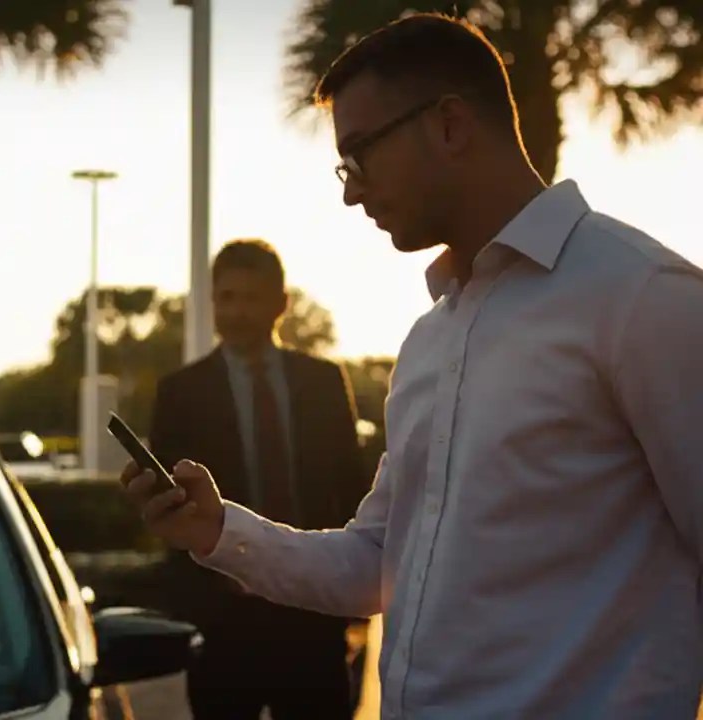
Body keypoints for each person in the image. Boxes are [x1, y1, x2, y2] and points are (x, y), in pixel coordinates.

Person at [122, 12, 703, 720]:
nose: (350, 191)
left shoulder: (643, 298)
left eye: (359, 155)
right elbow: (378, 565)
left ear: (450, 126)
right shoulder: (430, 342)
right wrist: (218, 532)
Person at [148, 238, 370, 719]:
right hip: (224, 623)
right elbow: (167, 509)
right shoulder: (181, 393)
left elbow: (352, 488)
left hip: (312, 619)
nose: (236, 311)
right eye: (226, 298)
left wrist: (355, 601)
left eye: (250, 298)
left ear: (280, 304)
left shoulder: (324, 382)